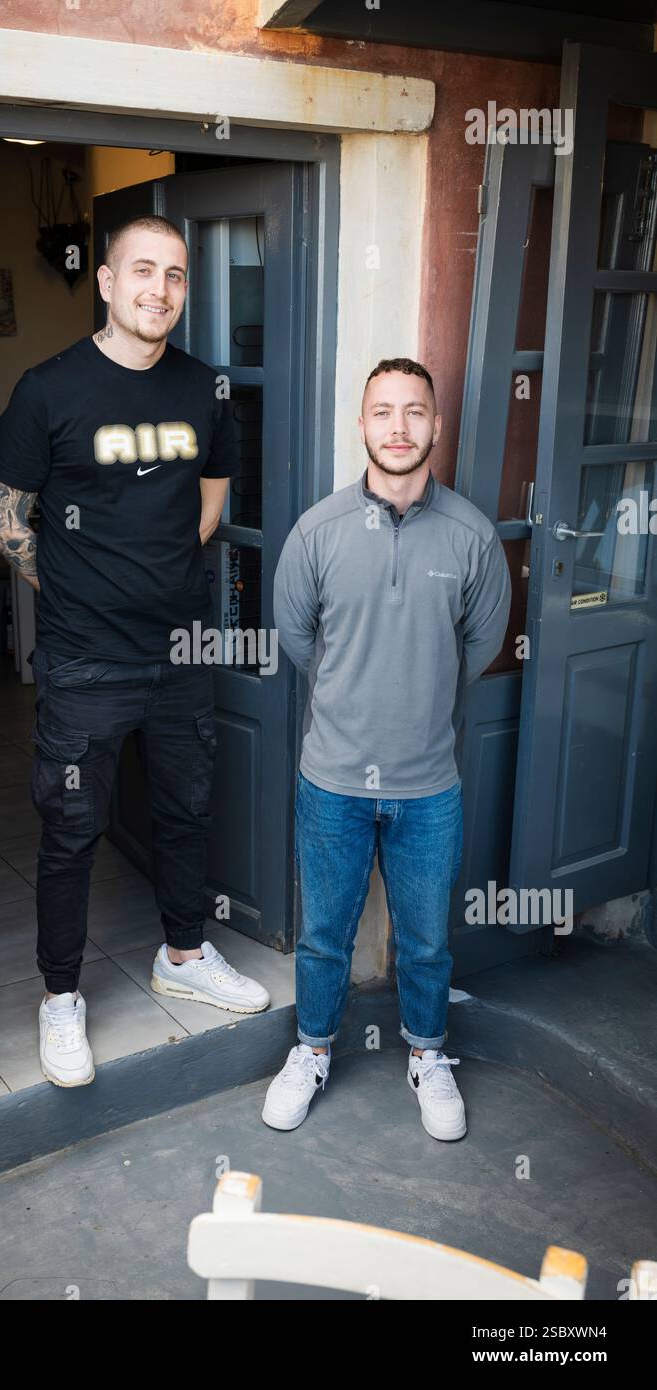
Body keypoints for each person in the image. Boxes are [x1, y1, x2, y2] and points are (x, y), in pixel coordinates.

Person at [0, 214, 270, 1088]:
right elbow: (5, 525)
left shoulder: (205, 391)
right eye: (142, 271)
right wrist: (81, 595)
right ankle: (61, 997)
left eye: (176, 275)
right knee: (72, 829)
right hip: (84, 662)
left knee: (185, 810)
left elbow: (211, 504)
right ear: (105, 282)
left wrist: (156, 583)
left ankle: (183, 956)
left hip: (180, 650)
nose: (160, 289)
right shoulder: (48, 391)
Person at [265, 357, 511, 1139]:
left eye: (414, 412)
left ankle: (429, 1054)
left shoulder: (472, 536)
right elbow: (301, 640)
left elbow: (479, 645)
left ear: (436, 426)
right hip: (331, 780)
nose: (398, 428)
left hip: (428, 784)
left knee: (428, 938)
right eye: (382, 412)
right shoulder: (318, 532)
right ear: (361, 425)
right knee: (323, 936)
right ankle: (311, 1050)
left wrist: (413, 694)